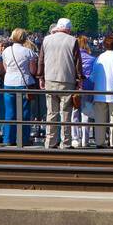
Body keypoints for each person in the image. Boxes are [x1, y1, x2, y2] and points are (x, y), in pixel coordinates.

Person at [39, 19, 81, 149]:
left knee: (51, 112)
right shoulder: (72, 40)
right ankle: (66, 142)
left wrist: (41, 77)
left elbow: (41, 60)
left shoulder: (46, 39)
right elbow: (77, 62)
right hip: (67, 80)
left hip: (50, 79)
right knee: (66, 113)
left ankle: (50, 142)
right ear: (68, 29)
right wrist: (79, 80)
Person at [1, 28, 37, 147]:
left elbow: (5, 68)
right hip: (24, 83)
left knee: (9, 112)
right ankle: (23, 139)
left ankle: (8, 139)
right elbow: (33, 71)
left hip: (9, 83)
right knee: (25, 113)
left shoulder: (6, 51)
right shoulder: (28, 52)